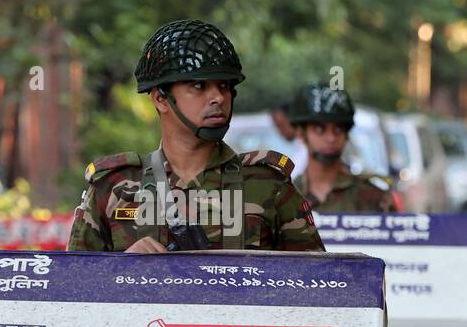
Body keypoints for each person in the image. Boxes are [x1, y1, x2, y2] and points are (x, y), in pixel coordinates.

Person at [67, 18, 323, 252]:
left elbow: (320, 287)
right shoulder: (112, 187)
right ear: (160, 99)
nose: (218, 98)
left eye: (224, 86)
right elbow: (69, 292)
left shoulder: (268, 185)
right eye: (199, 86)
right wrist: (122, 270)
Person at [289, 84, 400, 213]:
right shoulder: (285, 199)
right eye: (319, 130)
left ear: (346, 134)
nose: (330, 138)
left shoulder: (374, 198)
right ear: (300, 133)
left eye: (338, 129)